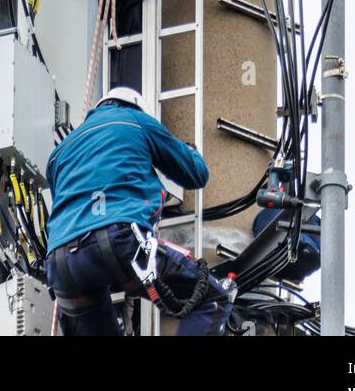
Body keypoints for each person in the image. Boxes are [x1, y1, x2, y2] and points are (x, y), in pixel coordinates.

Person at [44, 88, 231, 336]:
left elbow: (70, 211)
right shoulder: (137, 121)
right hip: (119, 241)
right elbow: (196, 174)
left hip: (62, 265)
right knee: (212, 297)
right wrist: (190, 152)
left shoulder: (59, 153)